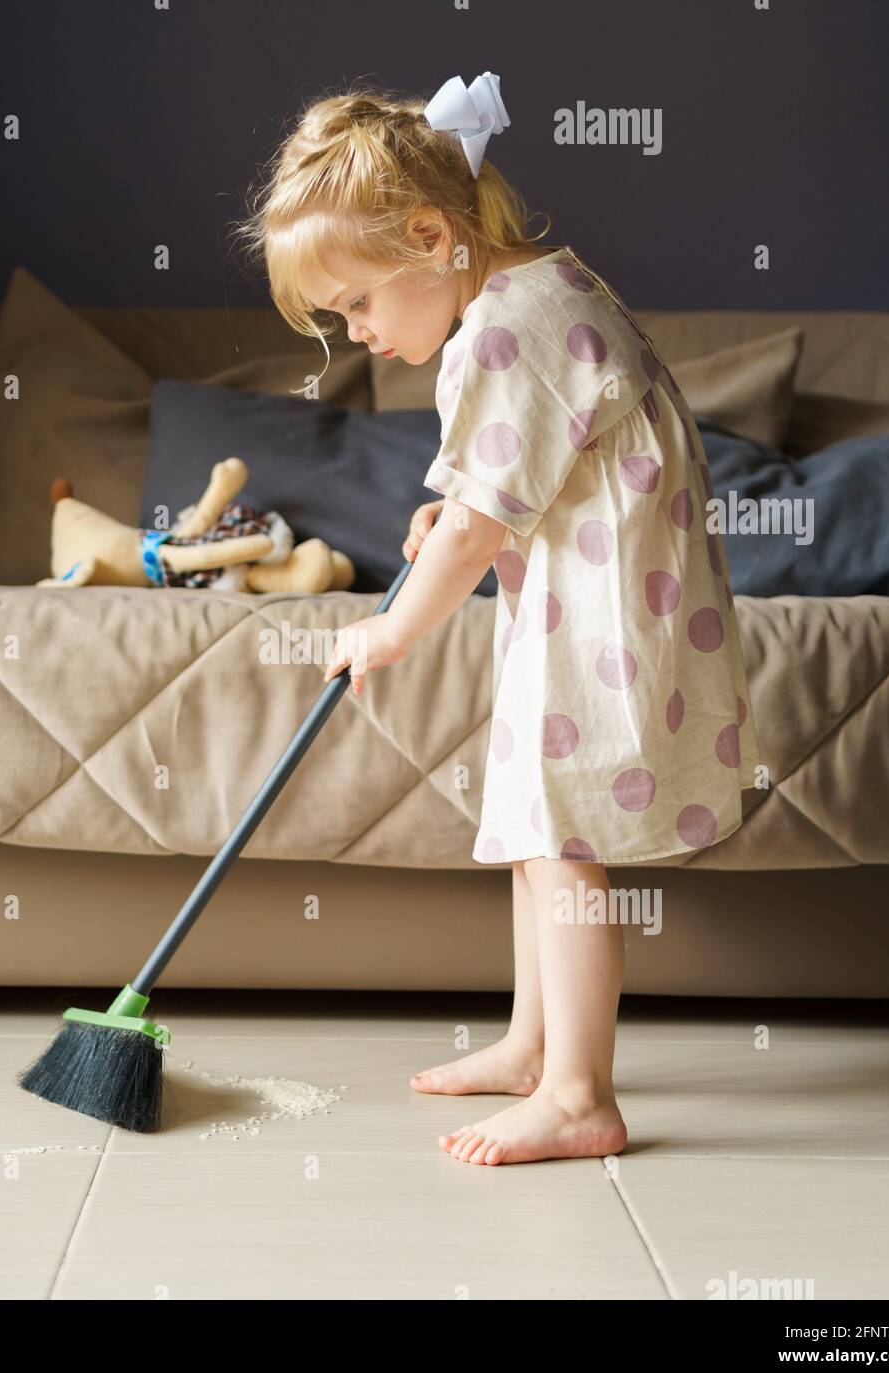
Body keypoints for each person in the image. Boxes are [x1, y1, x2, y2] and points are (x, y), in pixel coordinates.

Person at [231, 78, 761, 1166]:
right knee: (535, 830)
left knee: (559, 841)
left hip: (598, 626)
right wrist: (467, 505)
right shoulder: (545, 292)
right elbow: (541, 471)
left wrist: (390, 632)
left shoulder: (498, 336)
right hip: (594, 605)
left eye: (359, 303)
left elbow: (478, 533)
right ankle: (534, 1045)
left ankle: (578, 1093)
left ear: (432, 236)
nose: (357, 332)